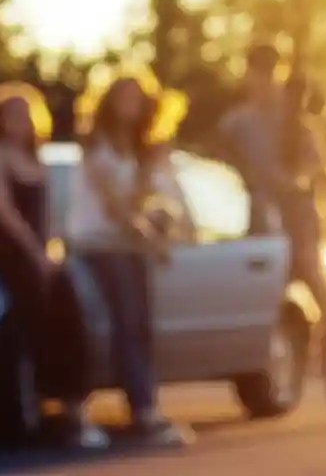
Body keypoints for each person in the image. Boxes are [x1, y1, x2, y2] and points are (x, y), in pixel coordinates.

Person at [219, 45, 326, 426]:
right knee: (267, 313)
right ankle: (276, 381)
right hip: (261, 233)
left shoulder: (299, 123)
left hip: (303, 231)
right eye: (257, 72)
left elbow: (324, 172)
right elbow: (220, 166)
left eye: (271, 73)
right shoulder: (237, 124)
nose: (264, 81)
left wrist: (295, 179)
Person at [0, 82, 109, 450]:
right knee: (29, 311)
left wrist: (50, 252)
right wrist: (34, 253)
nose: (19, 121)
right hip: (6, 249)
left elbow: (47, 214)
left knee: (67, 309)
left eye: (24, 113)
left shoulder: (37, 159)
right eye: (10, 113)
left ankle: (72, 406)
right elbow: (4, 211)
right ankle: (25, 408)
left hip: (39, 250)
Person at [68, 71, 195, 448]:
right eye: (123, 96)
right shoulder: (96, 146)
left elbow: (140, 203)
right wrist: (153, 241)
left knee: (138, 327)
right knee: (112, 326)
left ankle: (144, 409)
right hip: (97, 246)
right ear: (107, 102)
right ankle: (121, 413)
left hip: (128, 248)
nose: (130, 103)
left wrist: (152, 171)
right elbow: (115, 208)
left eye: (137, 97)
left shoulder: (140, 151)